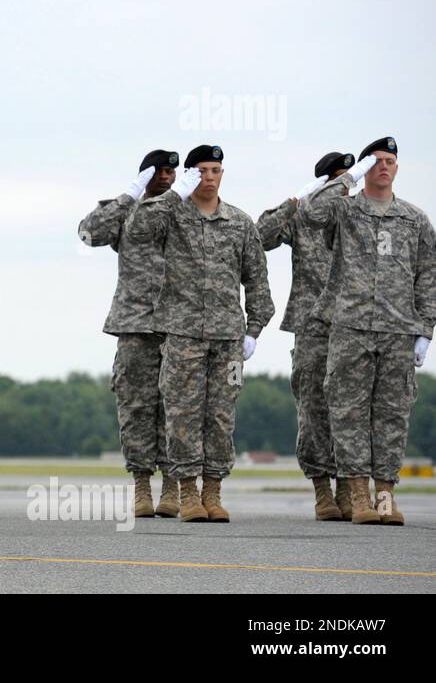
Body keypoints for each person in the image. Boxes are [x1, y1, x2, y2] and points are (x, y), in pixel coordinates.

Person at [125, 145, 274, 522]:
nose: (210, 177)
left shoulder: (239, 222)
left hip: (228, 341)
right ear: (191, 174)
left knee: (222, 417)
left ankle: (213, 491)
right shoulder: (172, 216)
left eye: (216, 170)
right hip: (183, 336)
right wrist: (175, 194)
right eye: (203, 171)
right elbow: (137, 228)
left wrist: (254, 328)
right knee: (182, 415)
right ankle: (187, 492)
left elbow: (257, 279)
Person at [300, 138, 435, 526]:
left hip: (397, 330)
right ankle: (358, 494)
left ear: (398, 167)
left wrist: (426, 328)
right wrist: (348, 178)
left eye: (389, 161)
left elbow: (428, 276)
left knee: (393, 414)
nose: (383, 167)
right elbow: (310, 213)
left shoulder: (415, 219)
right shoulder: (344, 209)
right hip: (350, 327)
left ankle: (385, 496)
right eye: (375, 161)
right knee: (348, 412)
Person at [77, 150, 178, 518]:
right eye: (159, 171)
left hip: (177, 323)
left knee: (175, 407)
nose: (167, 177)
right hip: (134, 323)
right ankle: (140, 485)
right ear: (145, 174)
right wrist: (129, 195)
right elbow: (88, 233)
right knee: (135, 406)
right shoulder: (127, 211)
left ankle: (172, 484)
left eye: (172, 171)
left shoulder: (182, 208)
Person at [256, 151, 355, 520]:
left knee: (351, 410)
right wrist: (296, 200)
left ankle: (350, 488)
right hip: (312, 325)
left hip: (355, 325)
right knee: (313, 408)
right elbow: (260, 235)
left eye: (351, 179)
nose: (347, 187)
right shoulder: (303, 218)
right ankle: (322, 491)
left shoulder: (362, 216)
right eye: (339, 180)